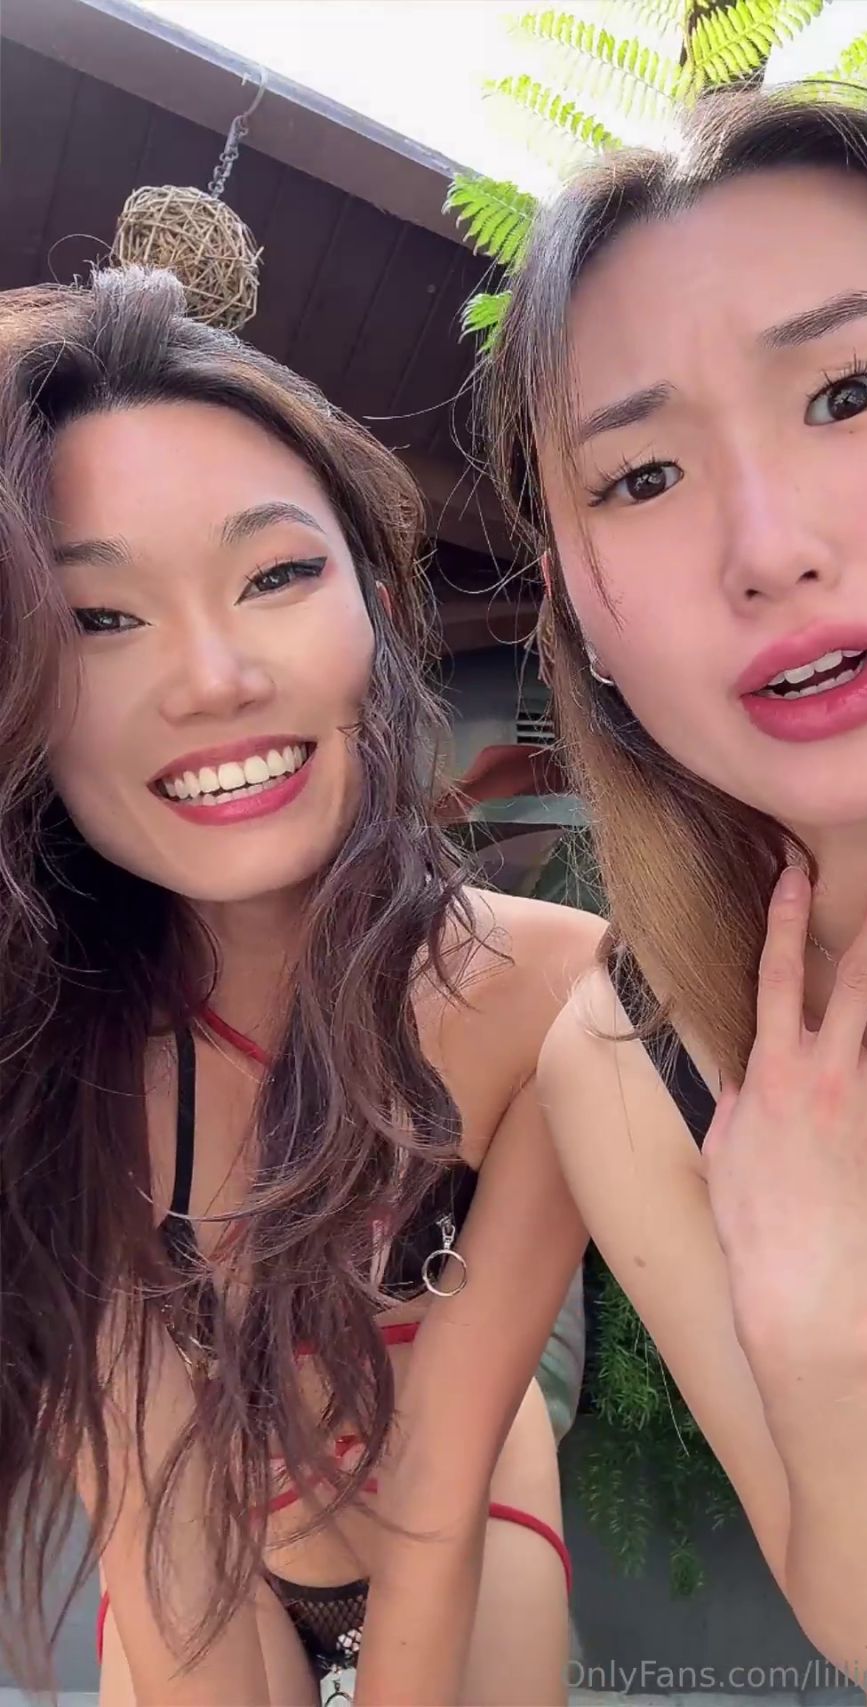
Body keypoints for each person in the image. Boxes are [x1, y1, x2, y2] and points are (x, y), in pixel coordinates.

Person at [359, 90, 867, 1706]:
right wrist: (816, 1324)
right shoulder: (630, 1062)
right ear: (581, 616)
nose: (768, 547)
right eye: (639, 477)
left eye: (851, 390)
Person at [0, 267, 602, 1705]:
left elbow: (450, 1474)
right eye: (98, 620)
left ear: (379, 610)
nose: (213, 680)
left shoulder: (548, 989)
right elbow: (148, 1498)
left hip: (472, 1513)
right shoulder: (43, 1050)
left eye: (276, 577)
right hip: (189, 1530)